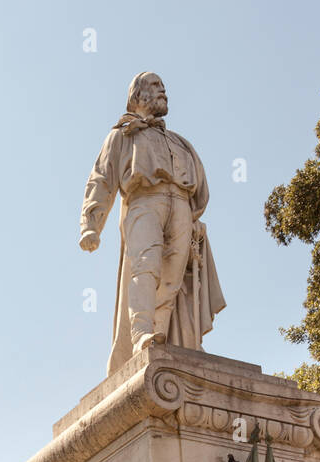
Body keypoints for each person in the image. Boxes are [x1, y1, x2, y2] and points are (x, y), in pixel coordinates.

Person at [80, 72, 226, 375]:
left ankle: (160, 336)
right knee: (145, 266)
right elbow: (102, 178)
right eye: (157, 87)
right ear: (138, 95)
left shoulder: (179, 142)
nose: (164, 92)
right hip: (144, 201)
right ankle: (141, 334)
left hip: (182, 205)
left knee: (173, 276)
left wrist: (195, 217)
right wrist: (91, 225)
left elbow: (200, 184)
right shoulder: (122, 135)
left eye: (164, 88)